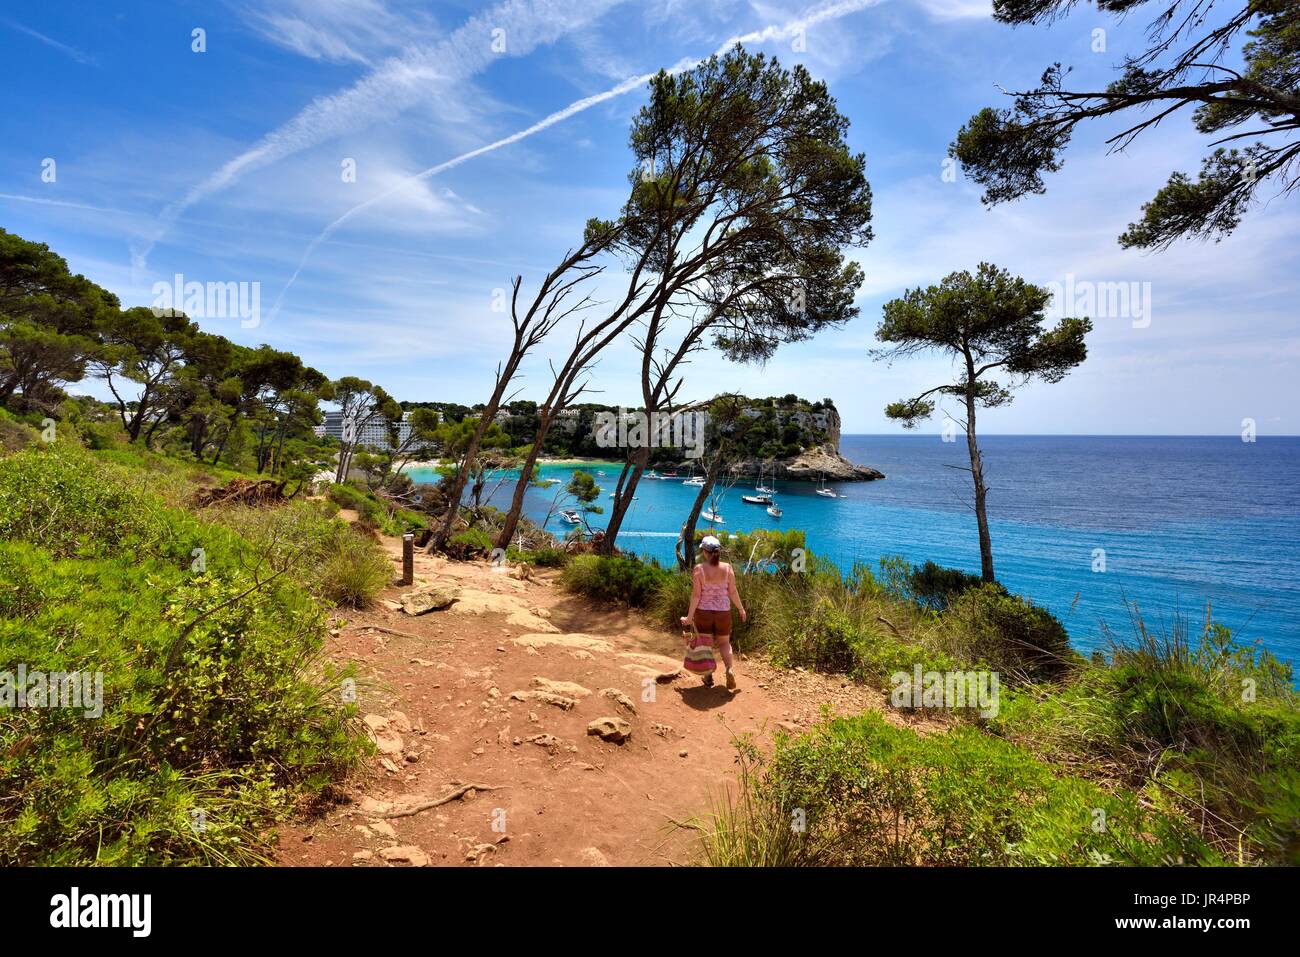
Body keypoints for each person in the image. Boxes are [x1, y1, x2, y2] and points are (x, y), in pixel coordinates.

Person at [680, 535, 746, 690]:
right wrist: (741, 609)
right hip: (723, 612)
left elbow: (696, 596)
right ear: (718, 551)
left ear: (704, 551)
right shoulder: (728, 568)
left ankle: (708, 675)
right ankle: (729, 669)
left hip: (704, 613)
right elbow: (733, 592)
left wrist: (689, 617)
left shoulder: (699, 569)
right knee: (724, 642)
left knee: (706, 643)